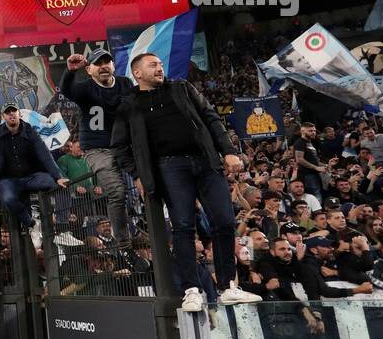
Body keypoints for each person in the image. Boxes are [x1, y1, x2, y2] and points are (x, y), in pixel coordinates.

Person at [111, 52, 260, 312]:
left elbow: (211, 117)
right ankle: (191, 290)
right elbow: (119, 146)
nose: (159, 68)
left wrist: (228, 150)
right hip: (169, 167)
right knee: (182, 226)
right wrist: (137, 175)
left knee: (225, 221)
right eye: (152, 65)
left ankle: (228, 287)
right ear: (137, 73)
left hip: (206, 161)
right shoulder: (128, 105)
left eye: (160, 64)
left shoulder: (182, 88)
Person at [59, 48, 132, 241]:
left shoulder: (125, 84)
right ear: (89, 70)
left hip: (126, 146)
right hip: (98, 148)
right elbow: (67, 90)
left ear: (113, 66)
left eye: (107, 62)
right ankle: (123, 242)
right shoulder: (85, 88)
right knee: (117, 191)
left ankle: (143, 229)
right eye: (98, 64)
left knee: (143, 187)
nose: (103, 66)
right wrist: (71, 71)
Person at [0, 105, 69, 229]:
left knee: (63, 185)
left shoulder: (30, 131)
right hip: (8, 180)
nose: (11, 114)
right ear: (3, 116)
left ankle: (63, 225)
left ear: (19, 114)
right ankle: (30, 223)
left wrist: (57, 176)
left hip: (32, 177)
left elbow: (45, 154)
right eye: (7, 112)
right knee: (8, 198)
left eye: (14, 111)